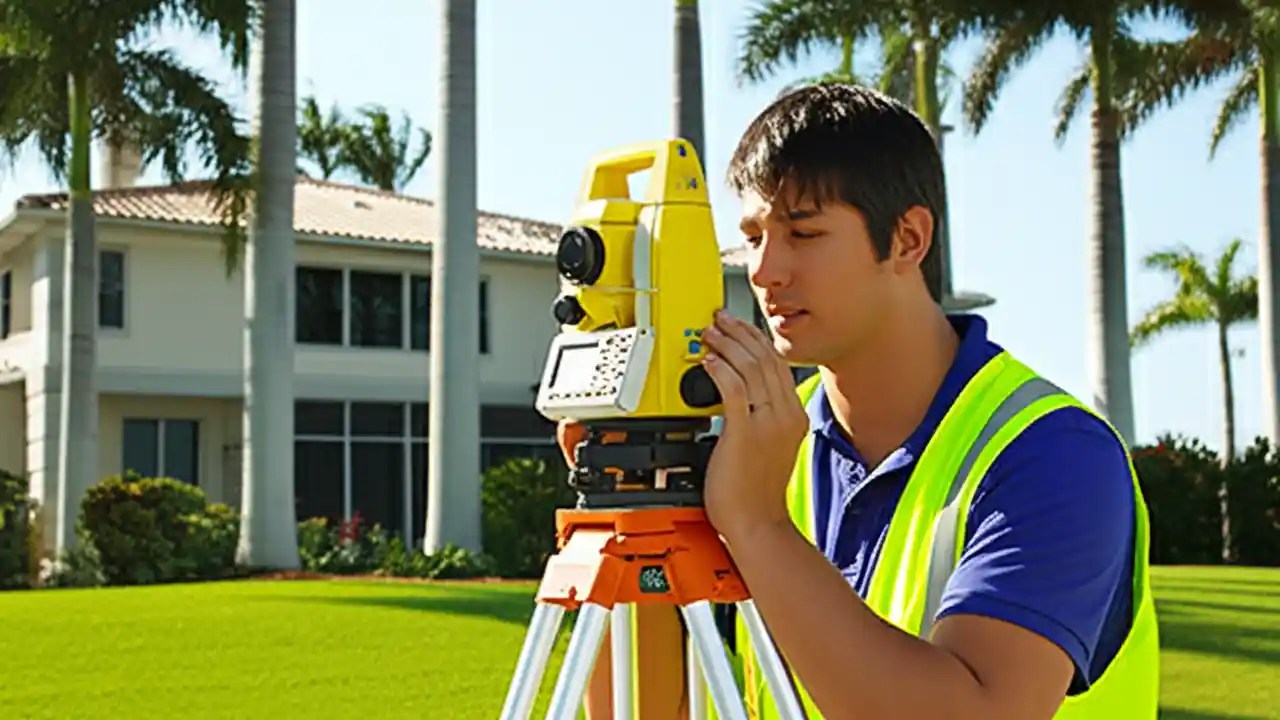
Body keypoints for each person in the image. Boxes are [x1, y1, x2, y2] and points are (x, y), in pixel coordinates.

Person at [560, 83, 1159, 719]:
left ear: (907, 240)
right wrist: (628, 516)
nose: (765, 272)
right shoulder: (763, 443)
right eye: (755, 236)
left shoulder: (1053, 454)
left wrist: (759, 527)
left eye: (804, 233)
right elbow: (650, 709)